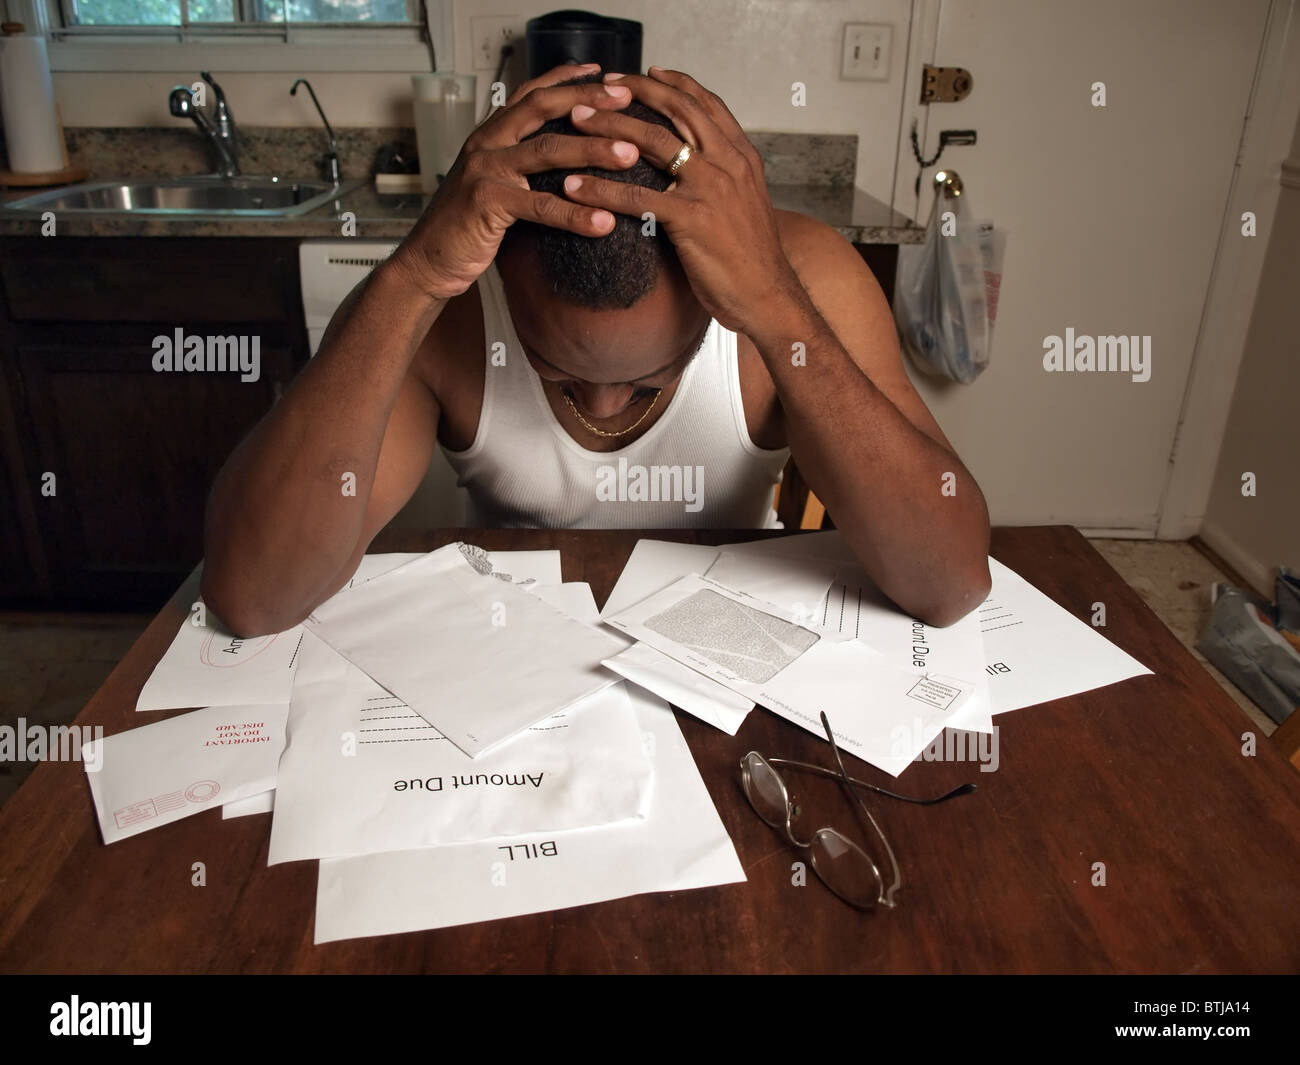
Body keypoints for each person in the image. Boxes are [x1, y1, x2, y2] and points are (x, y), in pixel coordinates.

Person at [201, 64, 991, 636]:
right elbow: (253, 594)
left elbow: (949, 582)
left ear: (721, 291)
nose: (607, 405)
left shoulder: (800, 279)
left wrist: (779, 308)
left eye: (653, 379)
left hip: (724, 661)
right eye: (555, 371)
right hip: (516, 649)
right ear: (494, 269)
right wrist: (411, 277)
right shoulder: (448, 301)